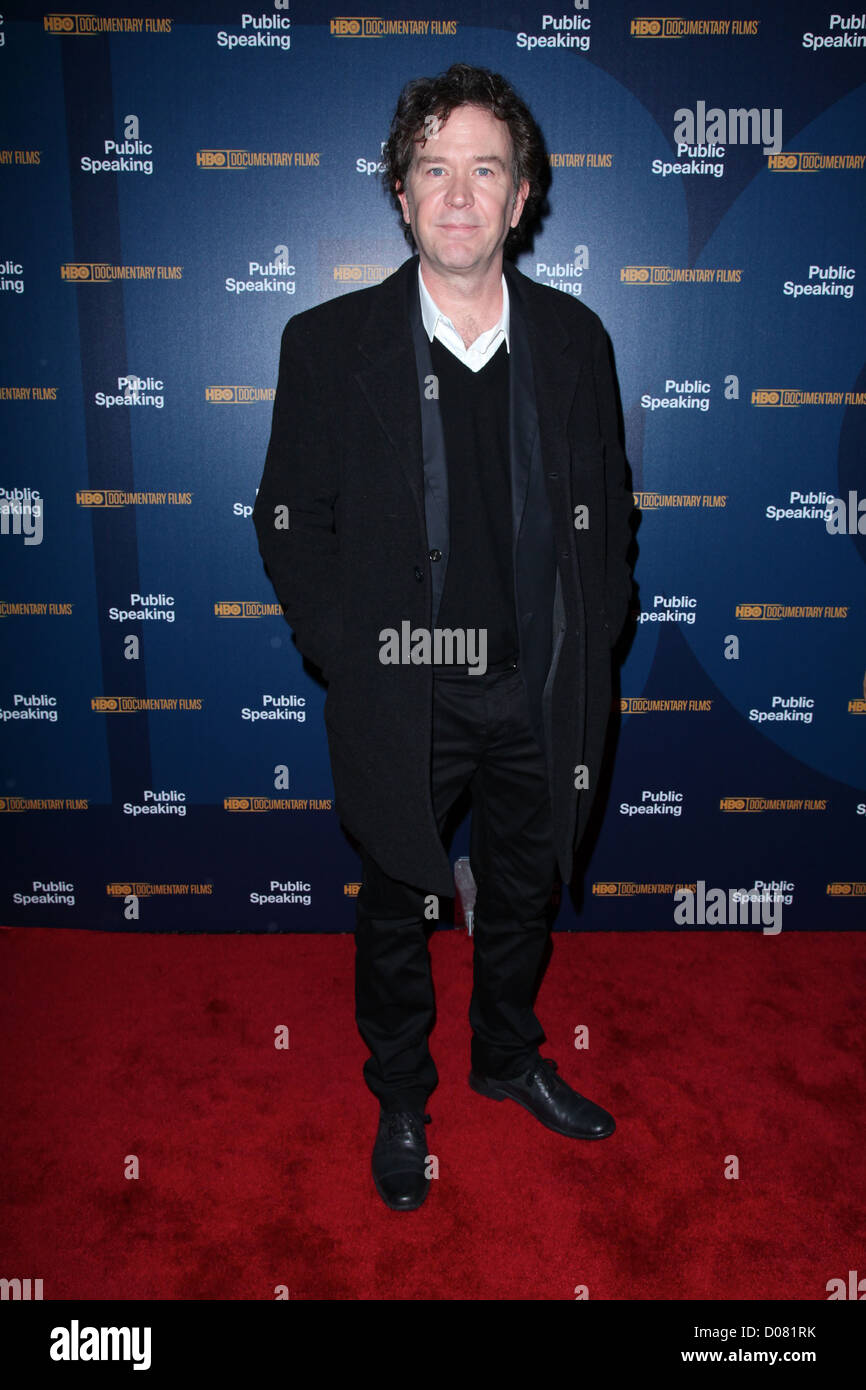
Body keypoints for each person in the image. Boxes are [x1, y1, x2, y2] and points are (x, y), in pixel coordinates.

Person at [253, 62, 634, 1212]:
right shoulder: (325, 345)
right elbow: (287, 519)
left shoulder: (574, 342)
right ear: (402, 195)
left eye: (485, 168)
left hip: (534, 688)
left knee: (520, 893)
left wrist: (590, 634)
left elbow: (612, 512)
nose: (458, 194)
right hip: (403, 695)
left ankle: (508, 1056)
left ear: (521, 198)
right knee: (398, 906)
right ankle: (401, 1095)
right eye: (433, 169)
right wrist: (354, 655)